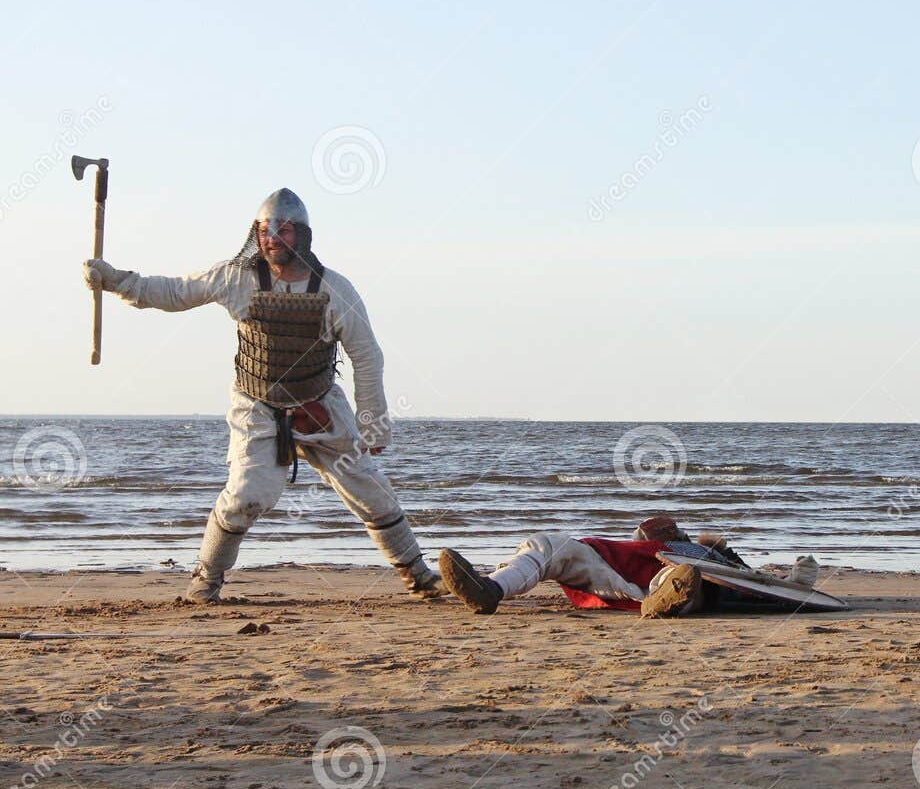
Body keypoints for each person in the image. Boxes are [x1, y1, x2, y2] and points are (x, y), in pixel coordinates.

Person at [81, 188, 441, 603]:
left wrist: (373, 424)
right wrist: (114, 281)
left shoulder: (335, 289)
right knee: (247, 494)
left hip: (318, 406)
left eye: (283, 230)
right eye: (266, 229)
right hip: (257, 406)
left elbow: (367, 356)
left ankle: (417, 575)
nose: (273, 238)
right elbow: (175, 292)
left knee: (370, 489)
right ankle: (206, 578)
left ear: (302, 235)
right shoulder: (236, 277)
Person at [437, 515, 821, 619]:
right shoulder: (627, 546)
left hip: (668, 581)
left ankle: (661, 603)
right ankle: (491, 589)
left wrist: (793, 582)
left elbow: (752, 583)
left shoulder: (713, 556)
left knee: (681, 579)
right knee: (546, 544)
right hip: (605, 564)